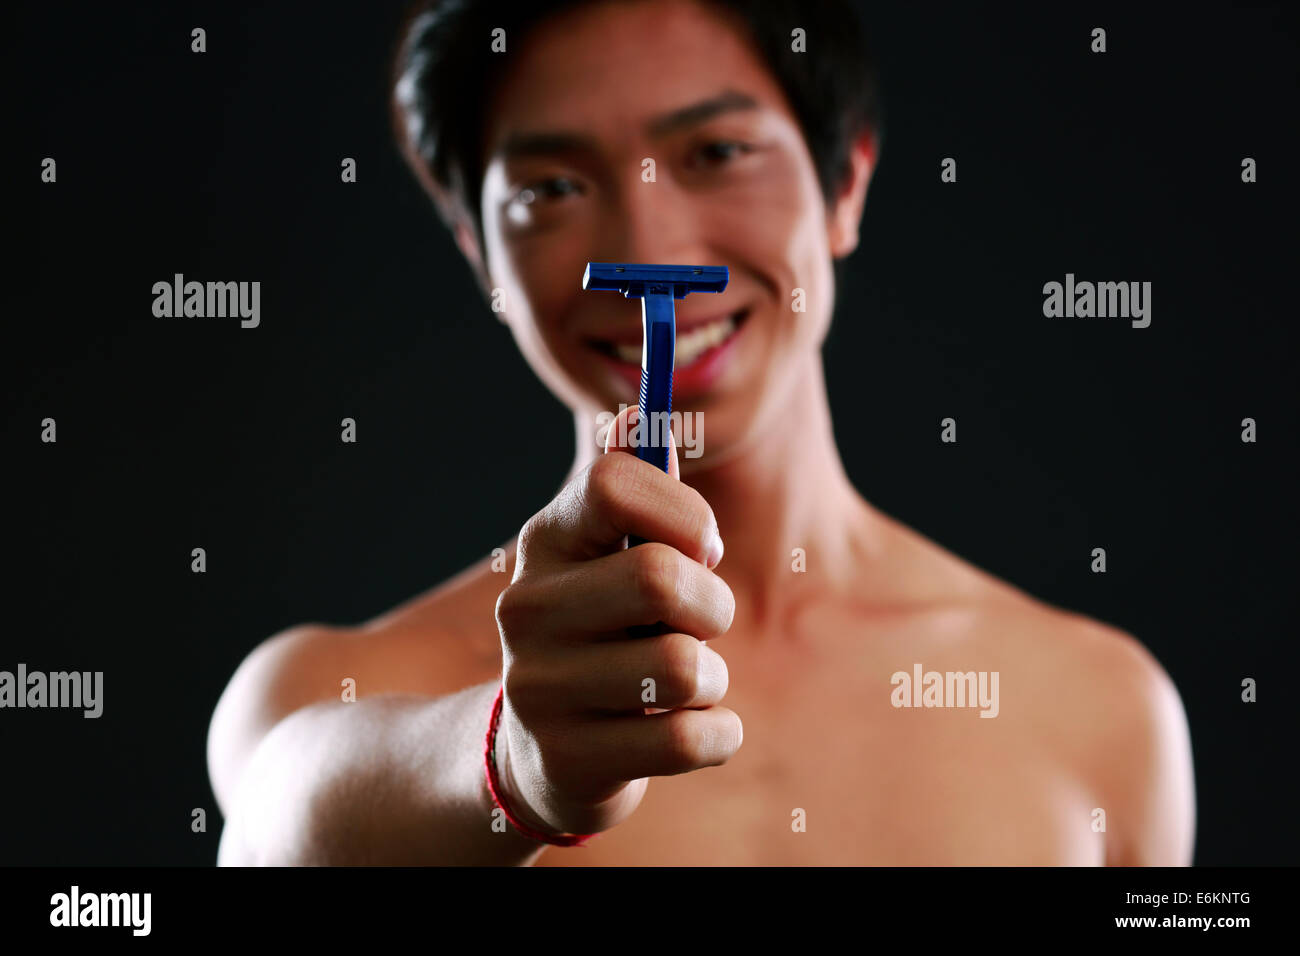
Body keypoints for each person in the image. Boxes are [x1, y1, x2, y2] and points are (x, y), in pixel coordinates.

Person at [207, 0, 1196, 865]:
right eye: (550, 187)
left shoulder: (1100, 707)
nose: (649, 252)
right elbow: (280, 829)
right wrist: (513, 759)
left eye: (717, 152)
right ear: (478, 250)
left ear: (844, 180)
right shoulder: (329, 693)